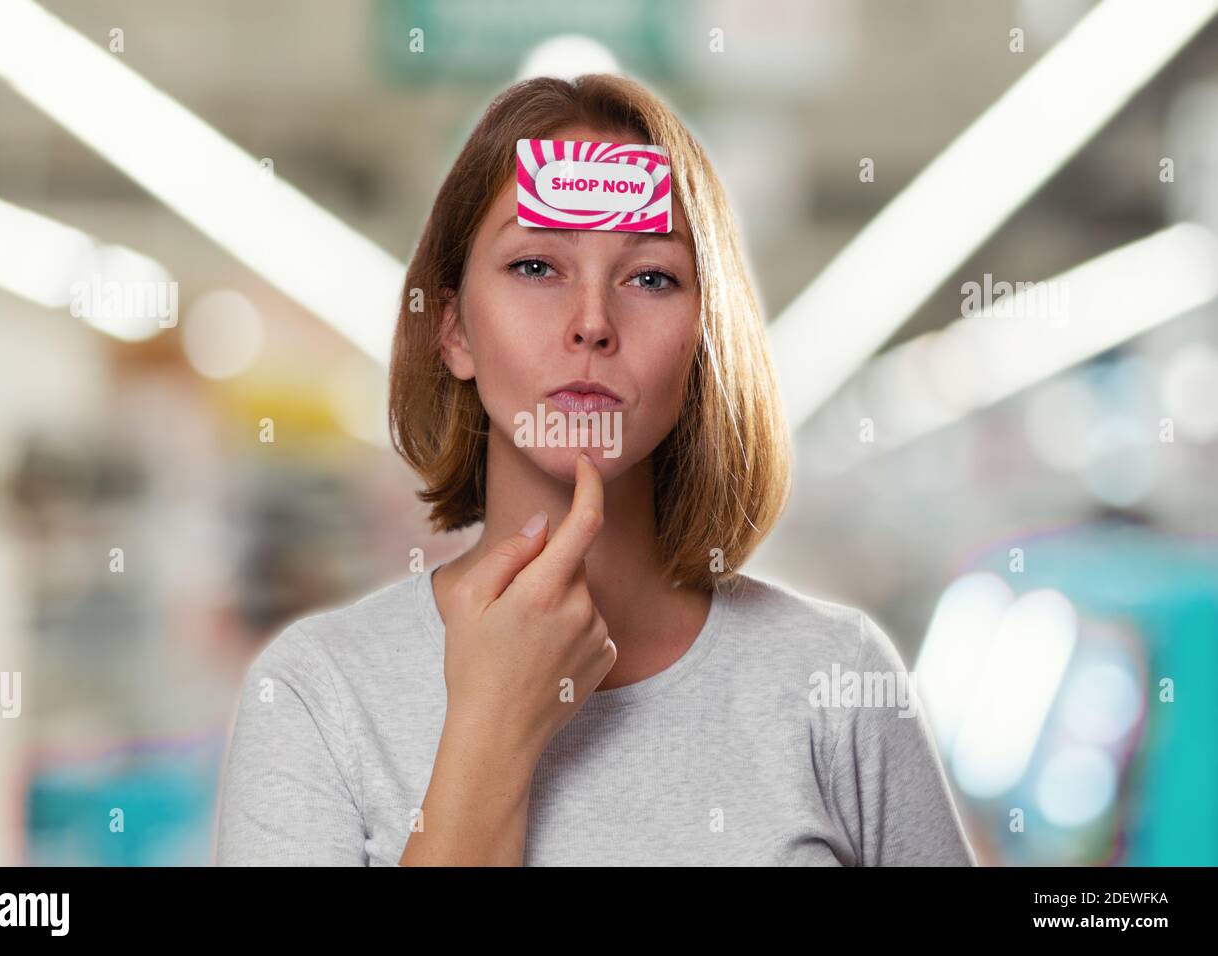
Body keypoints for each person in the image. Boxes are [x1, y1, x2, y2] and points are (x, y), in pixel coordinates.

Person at [215, 73, 976, 866]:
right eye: (537, 267)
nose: (591, 324)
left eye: (651, 278)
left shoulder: (837, 681)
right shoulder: (314, 695)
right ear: (452, 330)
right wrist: (491, 727)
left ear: (703, 341)